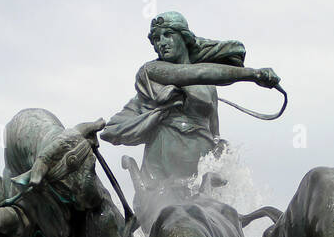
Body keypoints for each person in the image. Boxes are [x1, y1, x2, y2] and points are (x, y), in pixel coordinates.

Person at [102, 12, 280, 188]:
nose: (161, 43)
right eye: (156, 39)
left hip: (199, 181)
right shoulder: (152, 71)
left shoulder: (209, 87)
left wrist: (221, 150)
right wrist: (253, 74)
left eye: (168, 34)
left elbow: (214, 132)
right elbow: (198, 73)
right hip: (162, 179)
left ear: (184, 37)